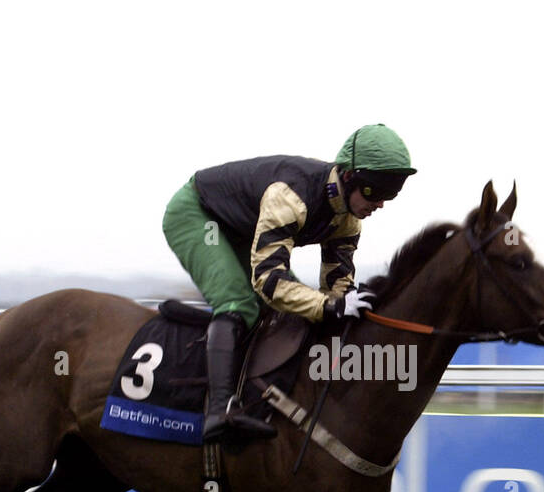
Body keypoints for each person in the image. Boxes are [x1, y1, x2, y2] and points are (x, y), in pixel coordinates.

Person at [162, 124, 416, 441]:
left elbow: (337, 290)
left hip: (240, 226)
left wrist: (348, 306)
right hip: (200, 215)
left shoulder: (349, 219)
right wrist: (330, 306)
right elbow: (268, 281)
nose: (380, 204)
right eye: (374, 192)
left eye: (390, 194)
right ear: (349, 176)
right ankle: (219, 411)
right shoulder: (290, 197)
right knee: (239, 301)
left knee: (295, 312)